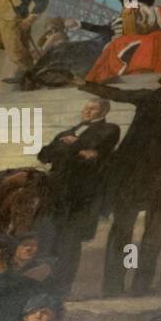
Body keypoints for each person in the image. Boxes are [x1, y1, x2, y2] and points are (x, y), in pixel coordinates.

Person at [78, 69, 161, 297]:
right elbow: (116, 93)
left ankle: (141, 287)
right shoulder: (147, 97)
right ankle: (113, 286)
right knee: (123, 230)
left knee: (155, 233)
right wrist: (84, 84)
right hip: (133, 173)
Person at [35, 97, 120, 297]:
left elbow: (97, 155)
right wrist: (78, 148)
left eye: (92, 109)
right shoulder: (68, 132)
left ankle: (61, 291)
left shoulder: (109, 130)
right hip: (55, 196)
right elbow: (44, 155)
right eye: (86, 108)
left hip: (81, 199)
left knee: (69, 245)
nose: (86, 112)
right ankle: (43, 289)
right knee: (47, 241)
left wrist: (75, 145)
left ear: (103, 112)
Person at [82, 0, 161, 82]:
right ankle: (106, 76)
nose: (129, 9)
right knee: (116, 43)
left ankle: (140, 70)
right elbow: (105, 29)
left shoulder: (156, 12)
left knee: (153, 39)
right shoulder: (123, 18)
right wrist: (81, 24)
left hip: (157, 35)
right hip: (131, 38)